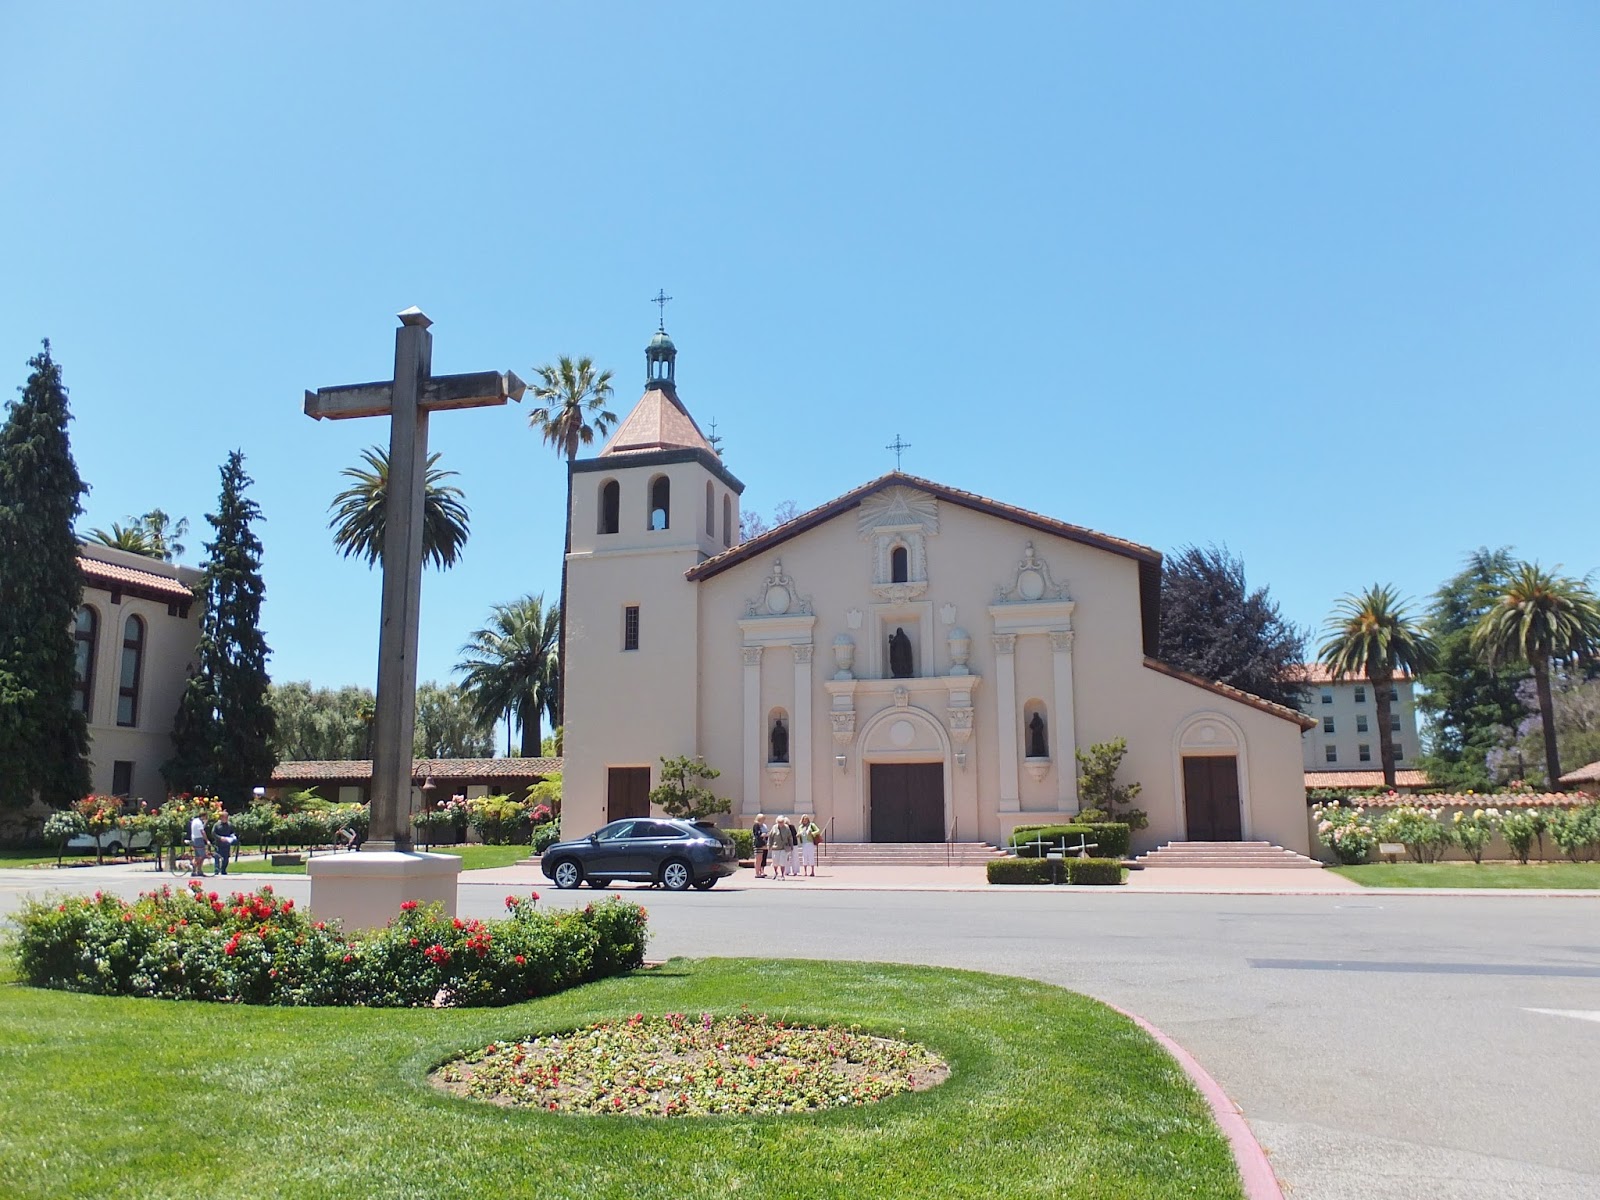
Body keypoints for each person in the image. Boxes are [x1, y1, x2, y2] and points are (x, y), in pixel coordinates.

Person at [769, 815, 796, 880]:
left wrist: (791, 845)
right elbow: (771, 837)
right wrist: (769, 845)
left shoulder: (786, 828)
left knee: (782, 862)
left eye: (781, 822)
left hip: (784, 847)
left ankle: (782, 875)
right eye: (779, 822)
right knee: (775, 861)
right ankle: (775, 872)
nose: (780, 823)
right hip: (775, 847)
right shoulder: (774, 827)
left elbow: (790, 837)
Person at [188, 813, 208, 877]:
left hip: (194, 839)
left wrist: (205, 823)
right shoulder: (199, 822)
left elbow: (200, 829)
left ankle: (194, 871)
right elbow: (202, 832)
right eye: (205, 817)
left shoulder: (195, 821)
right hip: (199, 839)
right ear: (203, 816)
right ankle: (199, 870)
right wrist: (207, 840)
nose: (206, 818)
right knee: (203, 856)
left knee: (197, 856)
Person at [752, 814, 770, 878]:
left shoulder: (764, 825)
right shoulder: (756, 825)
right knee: (758, 859)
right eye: (763, 819)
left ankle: (760, 871)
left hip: (763, 843)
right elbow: (757, 834)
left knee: (761, 858)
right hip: (758, 844)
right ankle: (757, 873)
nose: (764, 820)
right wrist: (763, 835)